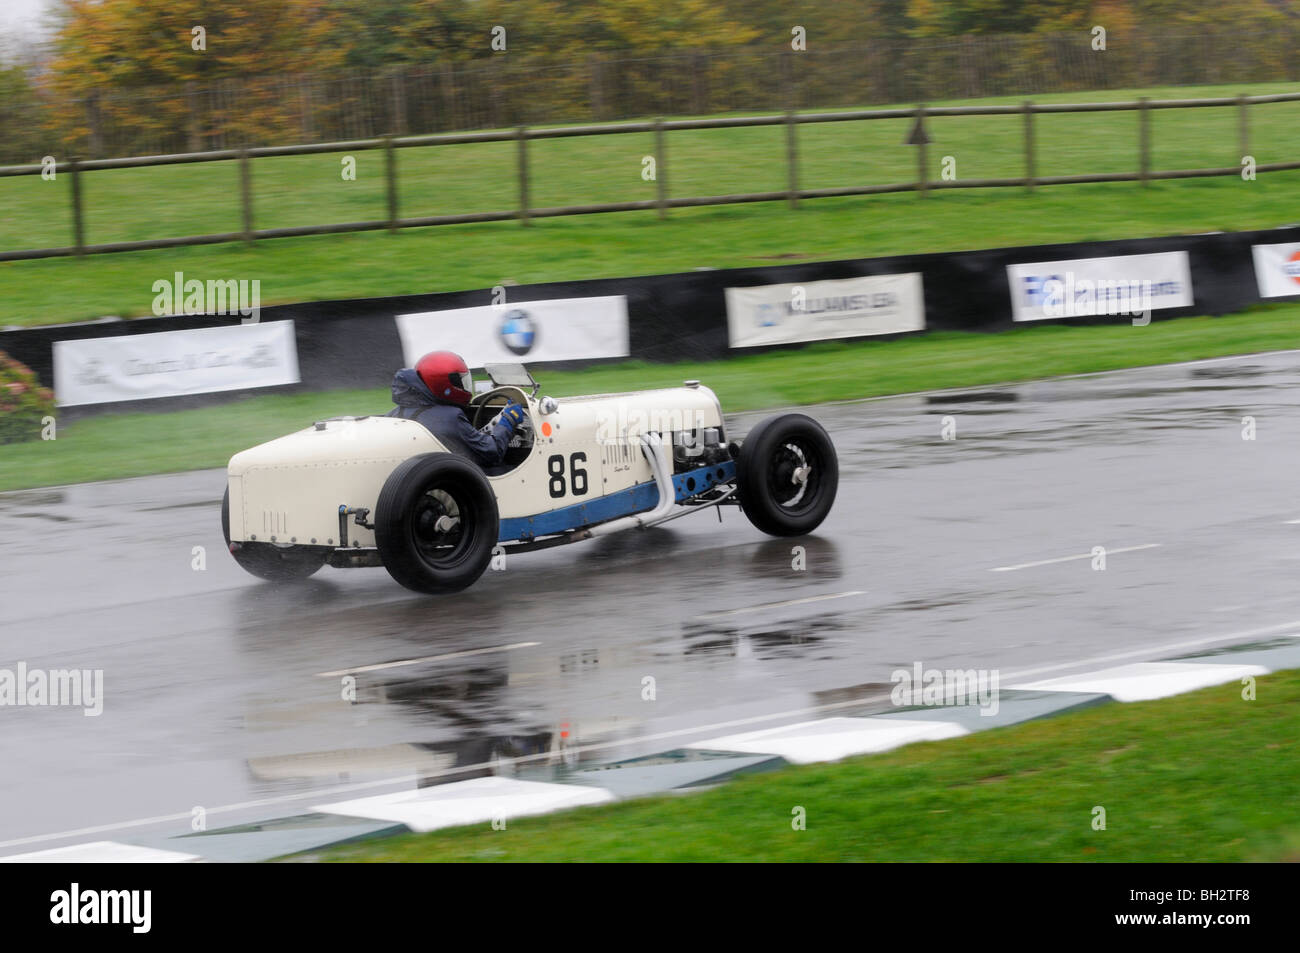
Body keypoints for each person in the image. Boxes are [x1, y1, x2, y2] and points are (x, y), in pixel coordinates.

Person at [386, 350, 527, 468]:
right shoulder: (451, 417)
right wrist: (508, 420)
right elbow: (493, 453)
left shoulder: (394, 414)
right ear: (445, 385)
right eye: (461, 382)